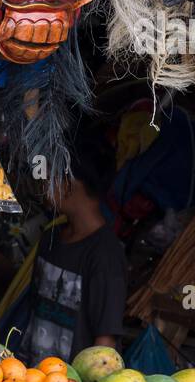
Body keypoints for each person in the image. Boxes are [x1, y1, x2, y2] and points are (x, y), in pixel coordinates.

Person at [24, 134, 127, 362]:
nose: (44, 182)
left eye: (50, 174)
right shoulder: (50, 238)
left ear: (69, 182)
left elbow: (106, 345)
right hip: (30, 381)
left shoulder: (105, 255)